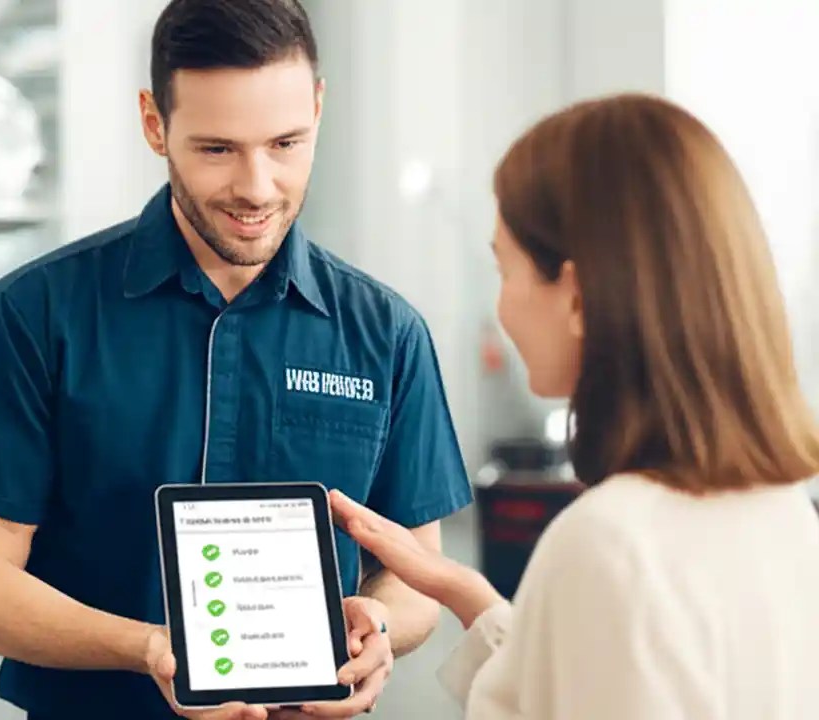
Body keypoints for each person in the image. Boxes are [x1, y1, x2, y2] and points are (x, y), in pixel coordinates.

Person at [0, 0, 473, 717]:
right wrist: (149, 648)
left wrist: (382, 627)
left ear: (318, 107)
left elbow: (418, 575)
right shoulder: (34, 316)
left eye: (285, 143)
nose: (256, 187)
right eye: (217, 149)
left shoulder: (388, 334)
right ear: (155, 124)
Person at [330, 93, 819, 719]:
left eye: (506, 271)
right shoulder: (782, 514)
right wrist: (461, 589)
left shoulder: (609, 545)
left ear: (578, 297)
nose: (502, 307)